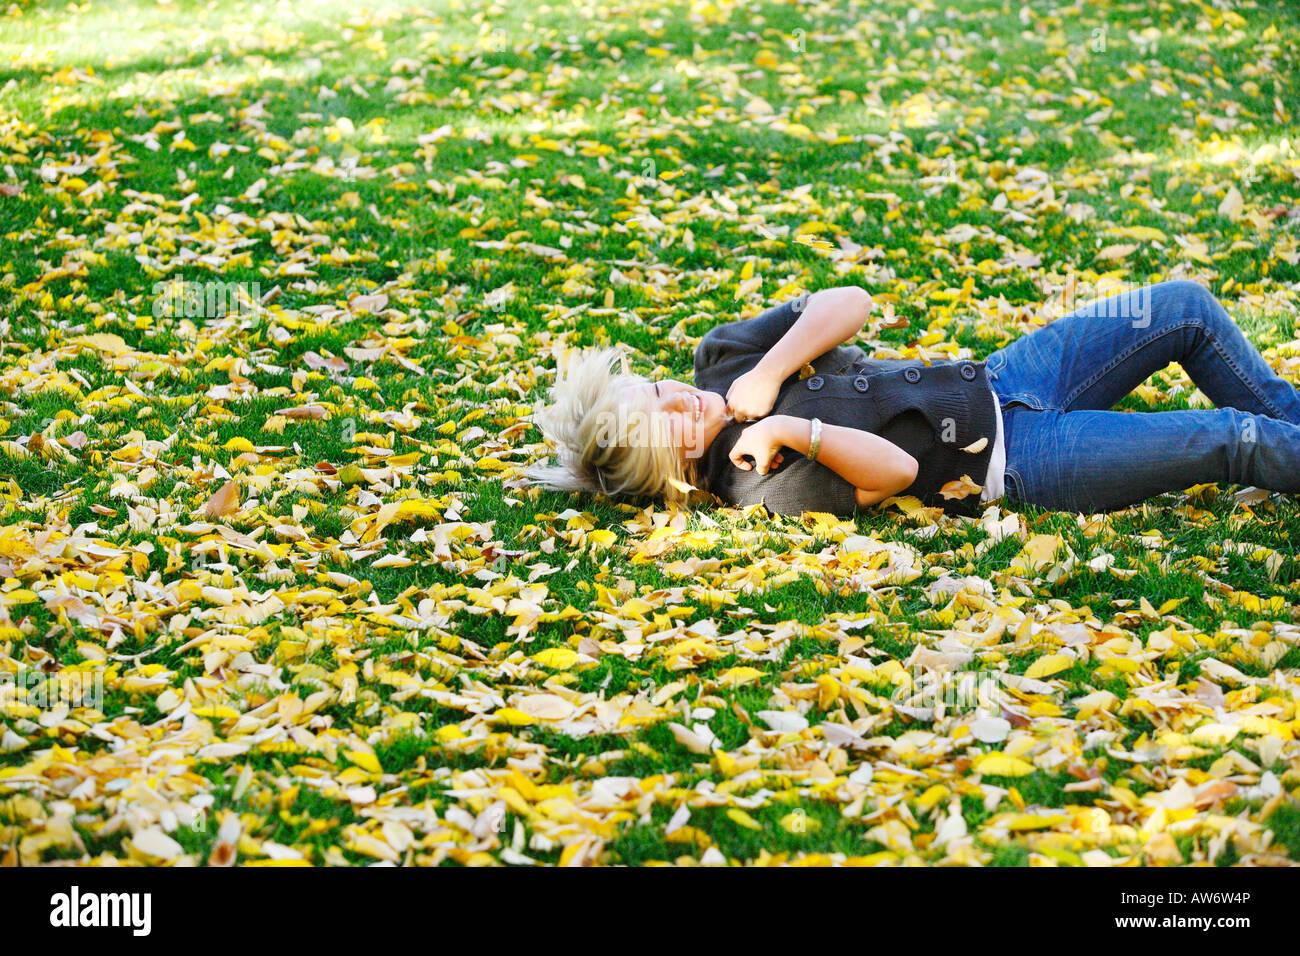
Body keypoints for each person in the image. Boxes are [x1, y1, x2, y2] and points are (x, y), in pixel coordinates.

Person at [524, 280, 1300, 517]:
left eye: (661, 390)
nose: (680, 403)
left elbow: (850, 302)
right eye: (669, 426)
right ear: (678, 470)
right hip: (1019, 463)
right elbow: (893, 471)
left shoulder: (721, 360)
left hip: (1001, 377)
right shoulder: (757, 485)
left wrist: (772, 372)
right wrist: (797, 425)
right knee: (1229, 439)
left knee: (1185, 308)